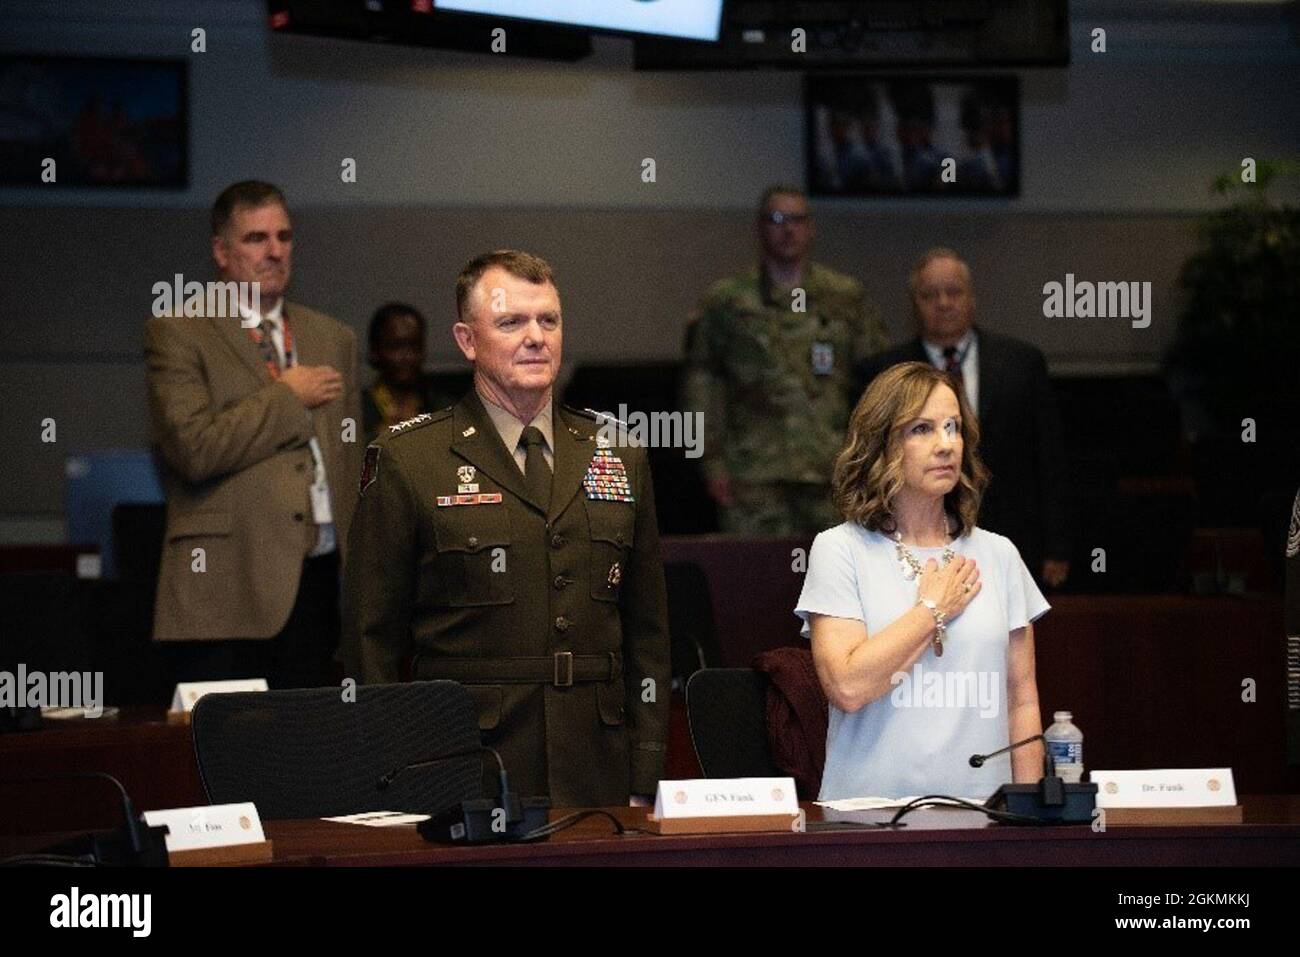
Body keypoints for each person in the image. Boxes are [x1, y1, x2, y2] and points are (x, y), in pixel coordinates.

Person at [343, 250, 670, 808]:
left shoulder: (617, 449)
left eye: (549, 320)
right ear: (468, 341)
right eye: (511, 322)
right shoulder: (409, 457)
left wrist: (646, 771)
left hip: (598, 762)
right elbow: (369, 638)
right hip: (466, 761)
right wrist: (397, 773)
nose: (536, 337)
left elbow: (648, 633)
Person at [796, 361, 1050, 800]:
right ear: (882, 443)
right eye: (922, 429)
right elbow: (848, 687)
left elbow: (1021, 699)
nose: (946, 445)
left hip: (985, 817)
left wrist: (1028, 819)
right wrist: (932, 610)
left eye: (953, 427)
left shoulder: (999, 554)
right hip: (869, 815)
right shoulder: (840, 550)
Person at [145, 180, 361, 688]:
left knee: (314, 749)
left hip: (322, 575)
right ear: (221, 251)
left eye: (284, 237)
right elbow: (192, 449)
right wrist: (288, 397)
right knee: (227, 757)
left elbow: (350, 459)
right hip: (225, 583)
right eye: (256, 239)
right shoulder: (178, 330)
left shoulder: (333, 337)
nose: (274, 251)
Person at [857, 248, 1071, 587]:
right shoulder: (885, 372)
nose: (943, 303)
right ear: (914, 303)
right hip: (913, 543)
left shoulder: (1021, 362)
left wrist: (1057, 545)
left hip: (1015, 535)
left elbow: (1050, 459)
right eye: (930, 294)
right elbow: (871, 461)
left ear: (971, 298)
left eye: (953, 291)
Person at [682, 185, 888, 536]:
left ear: (811, 228)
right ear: (760, 228)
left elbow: (879, 383)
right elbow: (702, 385)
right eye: (777, 219)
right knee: (753, 580)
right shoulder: (728, 302)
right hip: (753, 474)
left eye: (797, 219)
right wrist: (711, 462)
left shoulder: (844, 297)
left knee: (833, 581)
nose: (787, 229)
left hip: (832, 470)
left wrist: (874, 460)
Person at [361, 302, 456, 443]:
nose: (408, 356)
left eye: (415, 345)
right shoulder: (353, 410)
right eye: (396, 346)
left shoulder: (445, 408)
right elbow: (345, 446)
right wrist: (375, 438)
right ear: (375, 351)